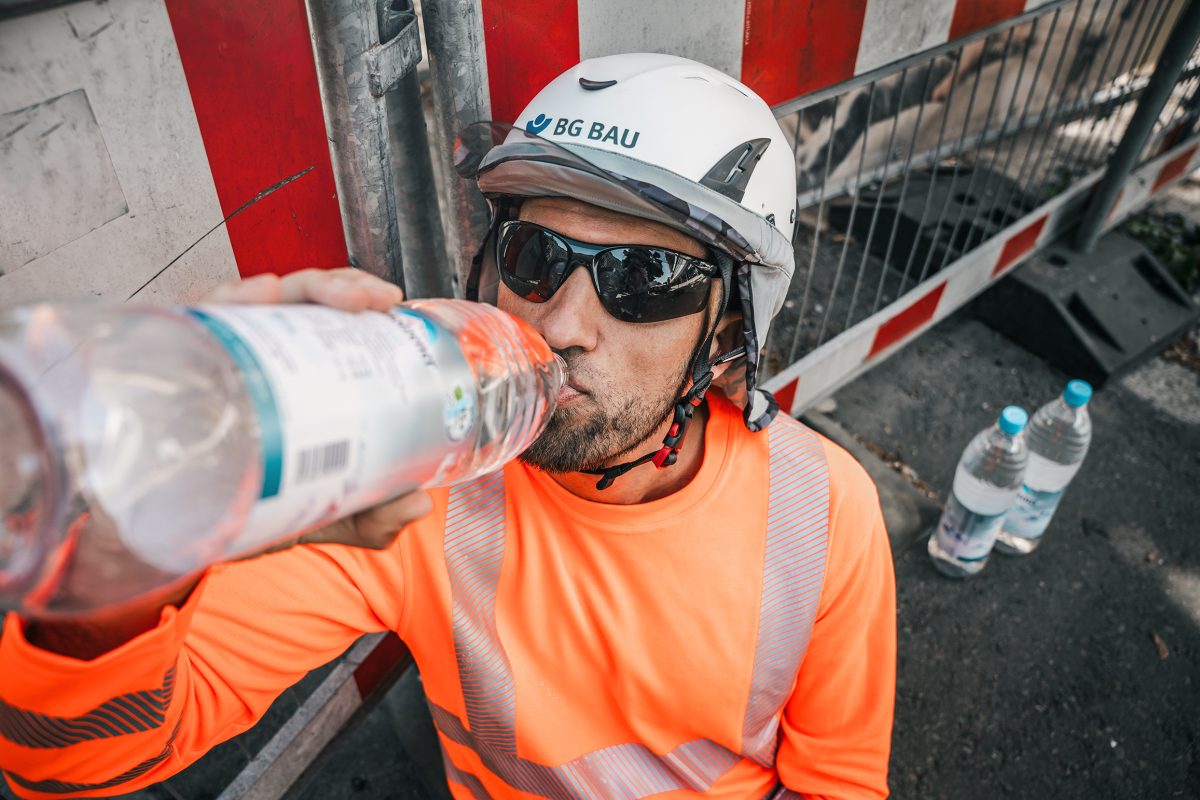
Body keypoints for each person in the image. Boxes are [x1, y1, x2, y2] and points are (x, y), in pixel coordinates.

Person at [0, 54, 895, 800]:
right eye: (535, 257)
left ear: (729, 327)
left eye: (646, 277)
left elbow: (838, 783)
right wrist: (136, 547)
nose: (562, 325)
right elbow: (70, 759)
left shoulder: (821, 511)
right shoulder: (421, 492)